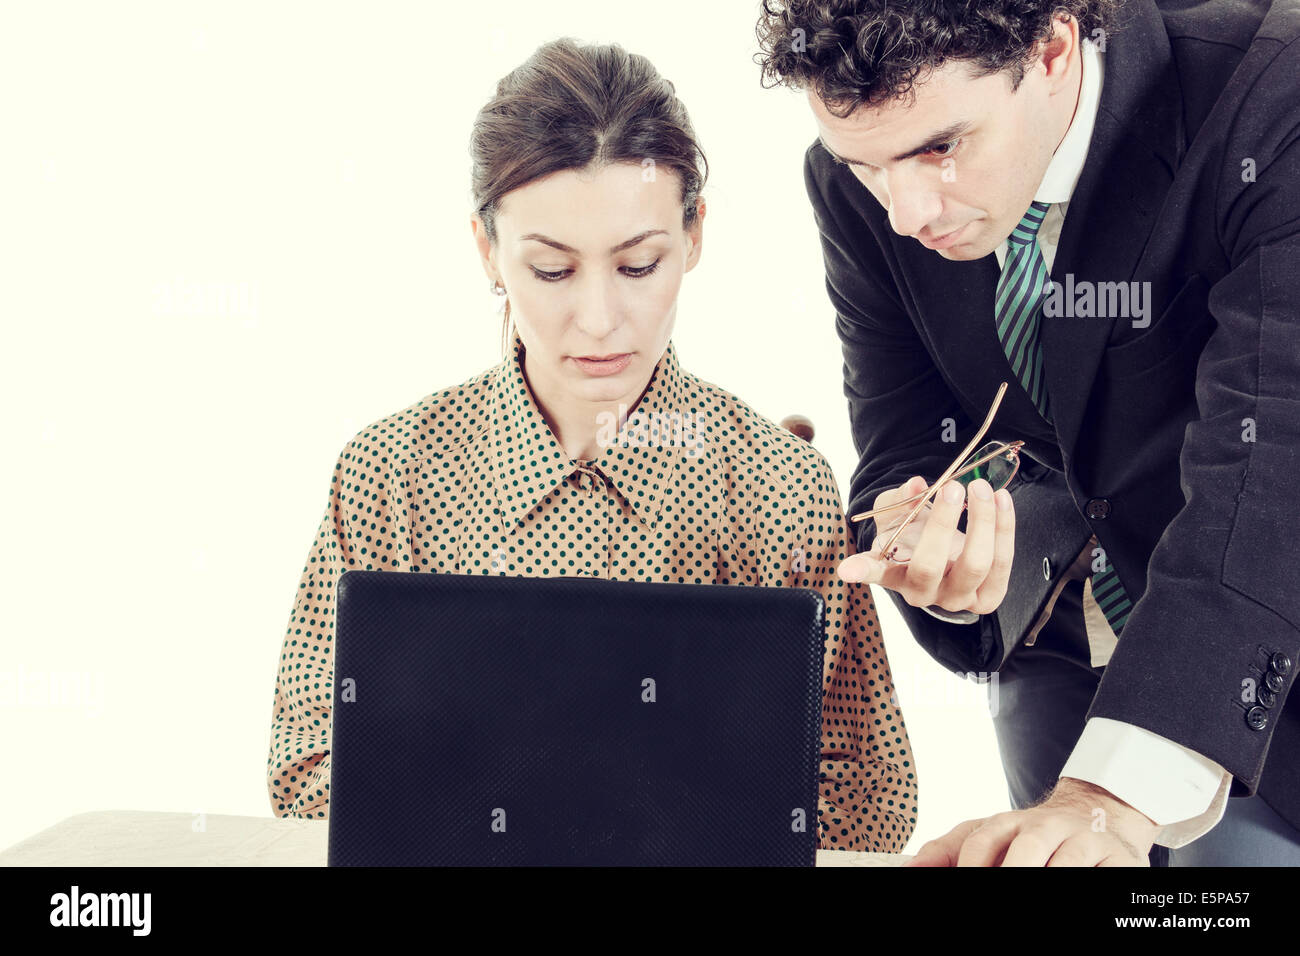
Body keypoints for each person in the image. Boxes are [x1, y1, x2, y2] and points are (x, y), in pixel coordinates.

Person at [266, 36, 917, 853]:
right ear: (487, 251)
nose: (601, 321)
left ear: (694, 238)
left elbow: (869, 798)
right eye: (552, 270)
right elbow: (305, 768)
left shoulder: (780, 486)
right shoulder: (390, 472)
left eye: (639, 265)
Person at [756, 0, 1300, 866]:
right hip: (1053, 638)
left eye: (940, 148)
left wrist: (1111, 795)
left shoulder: (1274, 92)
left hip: (1252, 652)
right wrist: (928, 534)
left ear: (1052, 48)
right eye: (865, 164)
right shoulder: (861, 184)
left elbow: (1274, 468)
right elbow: (905, 429)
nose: (904, 212)